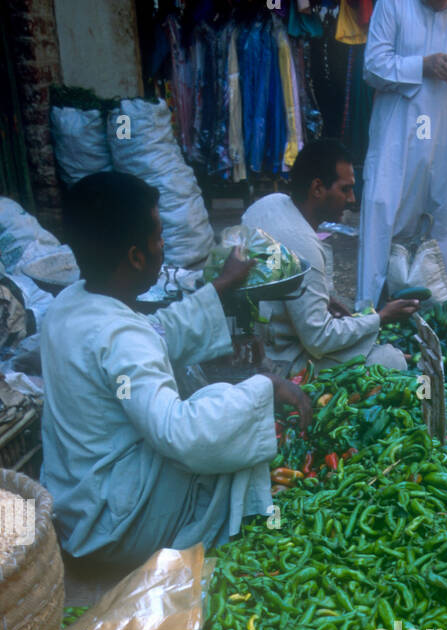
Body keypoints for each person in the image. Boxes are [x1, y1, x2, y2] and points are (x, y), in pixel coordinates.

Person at [40, 171, 310, 567]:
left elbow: (155, 335)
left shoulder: (68, 304)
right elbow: (179, 433)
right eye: (159, 237)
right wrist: (266, 387)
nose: (164, 245)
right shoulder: (119, 336)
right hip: (114, 525)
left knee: (224, 406)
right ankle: (240, 534)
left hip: (75, 505)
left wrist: (221, 286)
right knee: (228, 424)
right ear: (136, 256)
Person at [356, 0, 447, 307]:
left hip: (446, 133)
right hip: (398, 133)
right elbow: (373, 66)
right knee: (384, 211)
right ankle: (370, 313)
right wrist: (422, 65)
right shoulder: (392, 5)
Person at [242, 140, 416, 376]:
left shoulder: (269, 204)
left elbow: (284, 287)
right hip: (276, 361)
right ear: (317, 189)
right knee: (391, 361)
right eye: (345, 189)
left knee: (359, 338)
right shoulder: (303, 245)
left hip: (249, 339)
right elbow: (318, 340)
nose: (352, 199)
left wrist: (326, 298)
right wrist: (380, 318)